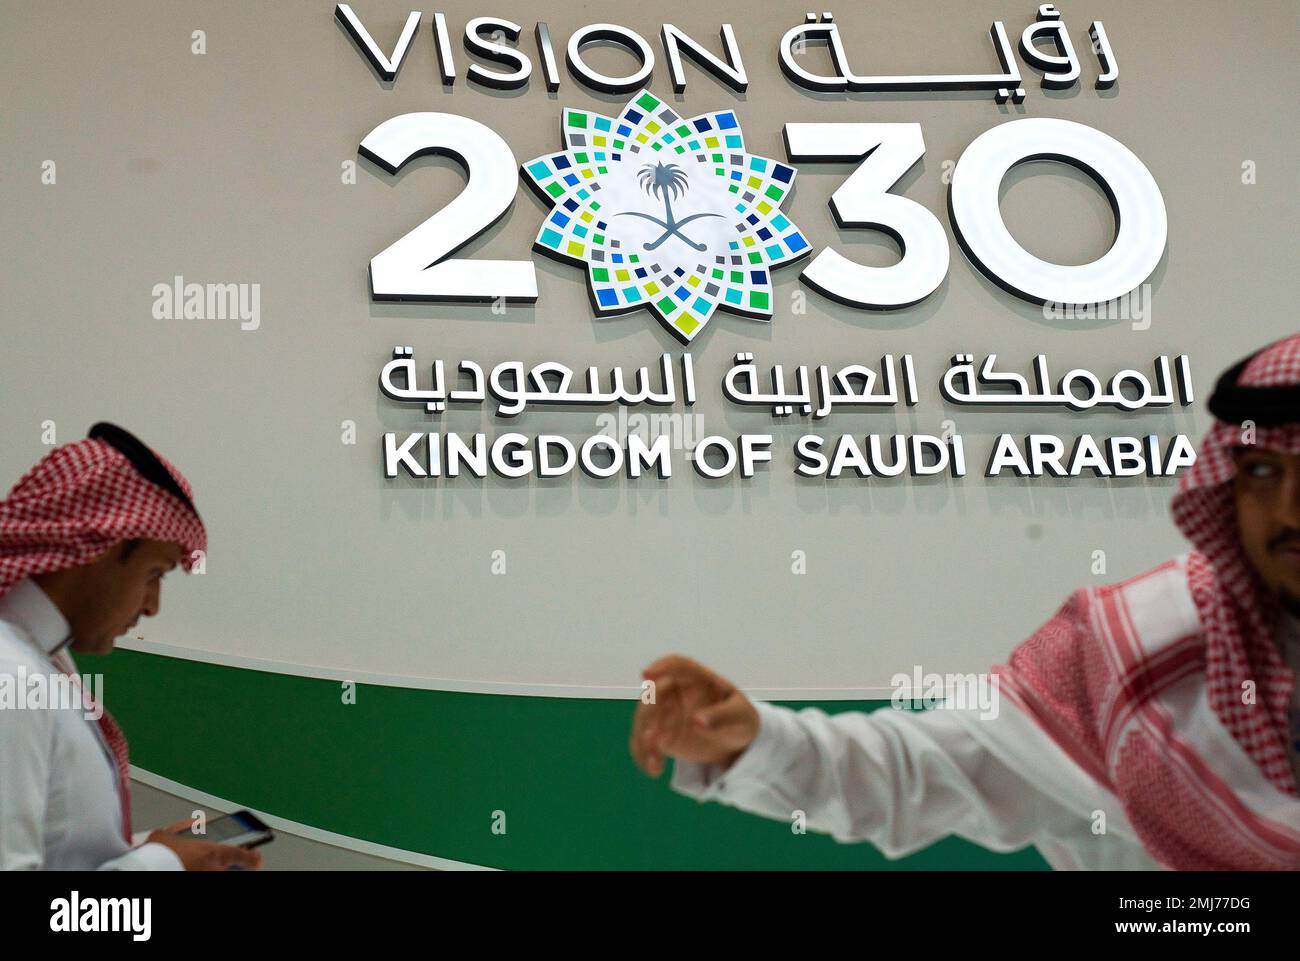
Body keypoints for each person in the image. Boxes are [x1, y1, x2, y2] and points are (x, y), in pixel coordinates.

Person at [630, 333, 1300, 870]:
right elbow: (910, 771)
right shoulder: (1140, 653)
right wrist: (755, 741)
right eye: (1264, 472)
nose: (1288, 510)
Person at [0, 423, 262, 870]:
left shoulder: (44, 658)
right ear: (97, 548)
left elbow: (59, 854)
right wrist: (163, 864)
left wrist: (155, 849)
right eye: (154, 575)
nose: (153, 606)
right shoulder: (10, 675)